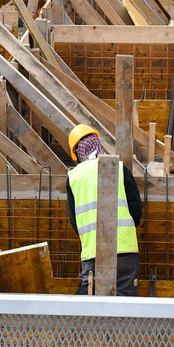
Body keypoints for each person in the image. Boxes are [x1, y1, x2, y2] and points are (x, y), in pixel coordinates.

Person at [65, 124, 142, 296]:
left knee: (89, 305)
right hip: (125, 251)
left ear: (77, 153)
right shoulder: (121, 168)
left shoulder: (74, 176)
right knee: (126, 305)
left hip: (92, 252)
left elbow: (74, 221)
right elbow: (136, 211)